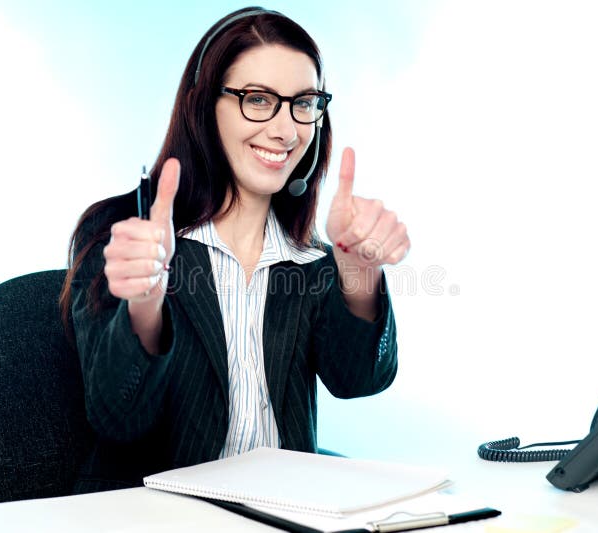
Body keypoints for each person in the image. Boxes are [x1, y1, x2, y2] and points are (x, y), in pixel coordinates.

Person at [60, 6, 410, 494]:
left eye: (303, 103)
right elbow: (119, 419)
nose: (286, 130)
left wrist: (358, 276)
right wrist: (145, 307)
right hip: (154, 520)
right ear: (205, 106)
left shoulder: (310, 259)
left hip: (285, 512)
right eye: (258, 99)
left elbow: (358, 380)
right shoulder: (125, 235)